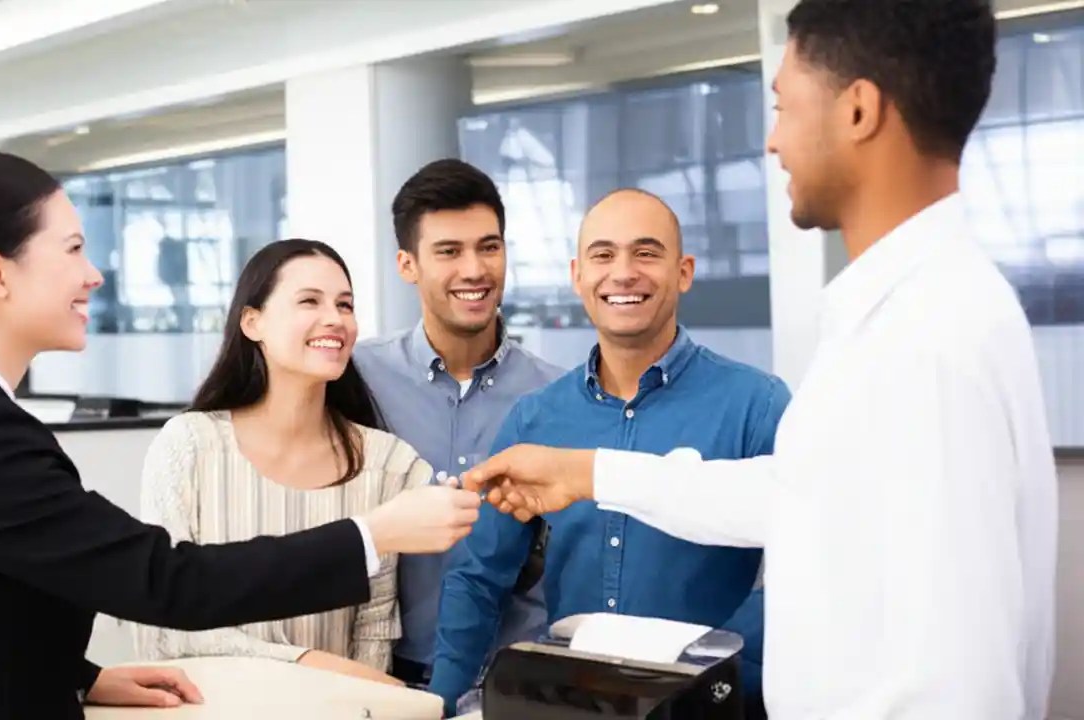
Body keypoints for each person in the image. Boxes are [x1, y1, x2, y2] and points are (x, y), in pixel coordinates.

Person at [465, 2, 1058, 718]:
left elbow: (960, 679)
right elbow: (796, 496)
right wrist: (587, 472)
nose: (772, 142)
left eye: (783, 106)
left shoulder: (928, 338)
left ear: (859, 111)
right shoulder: (905, 315)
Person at [0, 150, 482, 720]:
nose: (94, 274)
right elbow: (168, 582)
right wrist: (375, 534)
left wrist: (81, 677)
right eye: (73, 249)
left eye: (343, 303)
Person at [429, 188, 789, 716]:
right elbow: (481, 578)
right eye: (603, 255)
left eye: (646, 253)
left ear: (684, 271)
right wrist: (438, 703)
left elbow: (803, 571)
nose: (623, 273)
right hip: (570, 708)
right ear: (578, 276)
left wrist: (702, 676)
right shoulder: (536, 418)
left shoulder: (757, 404)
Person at [129, 239, 430, 687]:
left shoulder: (387, 462)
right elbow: (162, 628)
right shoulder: (190, 445)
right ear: (252, 322)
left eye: (345, 305)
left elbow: (374, 633)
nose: (335, 318)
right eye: (309, 300)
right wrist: (304, 662)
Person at [354, 159, 562, 688]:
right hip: (385, 679)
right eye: (449, 251)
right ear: (408, 264)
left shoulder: (556, 394)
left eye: (489, 247)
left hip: (521, 682)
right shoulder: (354, 378)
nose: (475, 269)